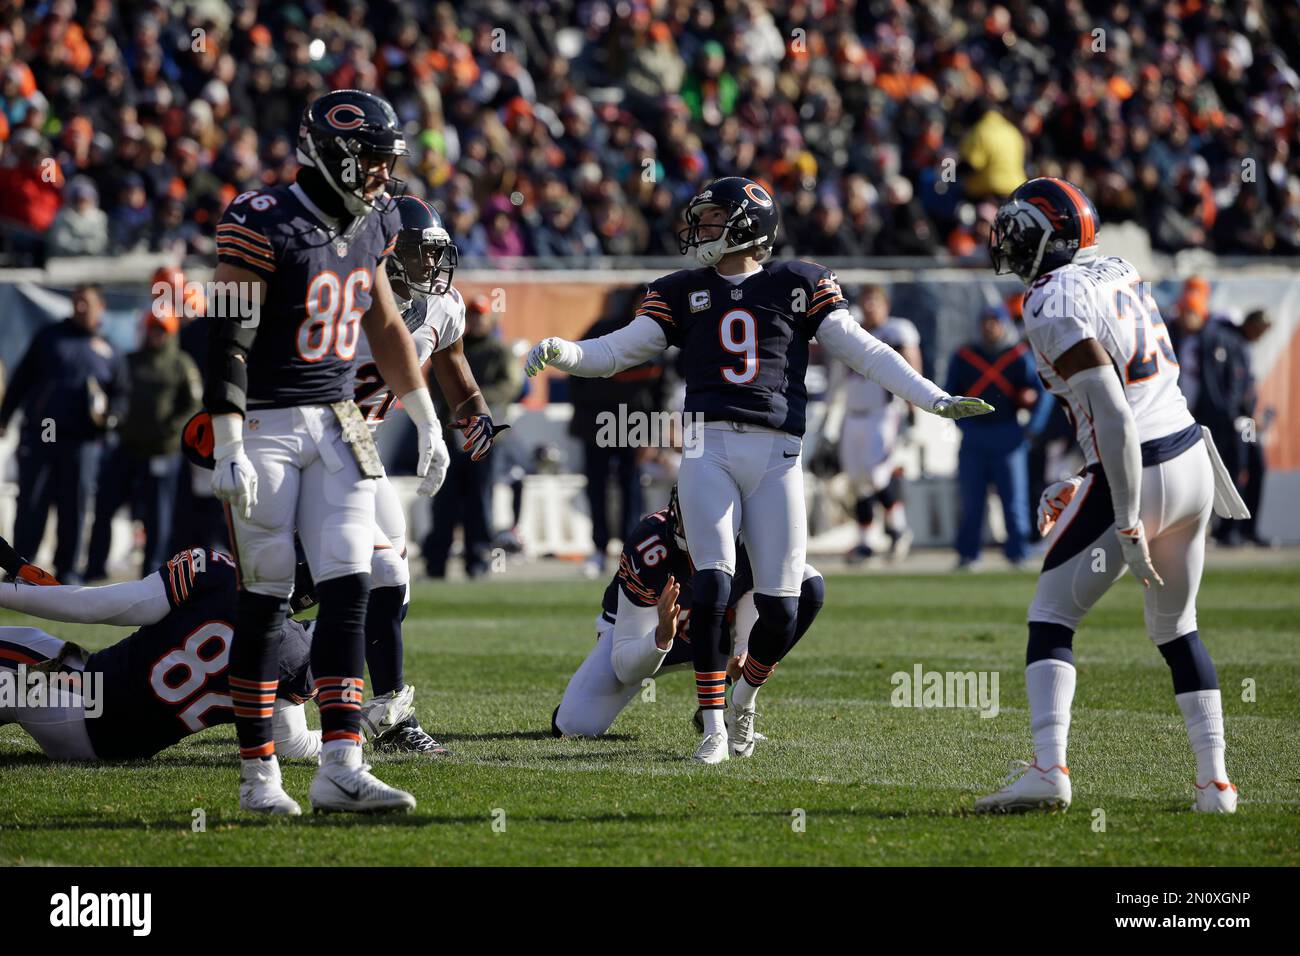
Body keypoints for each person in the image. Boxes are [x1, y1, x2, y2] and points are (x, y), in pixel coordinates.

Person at [525, 175, 992, 763]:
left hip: (778, 456)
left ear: (748, 223)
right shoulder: (681, 290)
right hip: (709, 446)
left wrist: (933, 399)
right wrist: (564, 353)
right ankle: (714, 733)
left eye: (716, 218)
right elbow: (617, 350)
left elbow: (864, 350)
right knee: (714, 580)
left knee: (783, 603)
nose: (702, 229)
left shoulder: (797, 282)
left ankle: (743, 699)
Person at [202, 90, 448, 815]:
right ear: (334, 152)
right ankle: (259, 778)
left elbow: (384, 329)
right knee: (267, 595)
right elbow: (227, 336)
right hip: (270, 421)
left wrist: (426, 417)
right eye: (372, 158)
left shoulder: (371, 224)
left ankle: (341, 764)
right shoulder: (262, 218)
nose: (381, 174)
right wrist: (226, 438)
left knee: (352, 586)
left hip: (344, 420)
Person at [979, 177, 1241, 814]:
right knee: (1179, 629)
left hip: (1141, 469)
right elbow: (1126, 401)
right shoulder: (1115, 269)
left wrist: (1122, 511)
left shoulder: (1049, 299)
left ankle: (1048, 769)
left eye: (1017, 230)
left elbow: (1116, 413)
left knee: (1051, 615)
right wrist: (1084, 475)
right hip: (1189, 459)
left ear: (1045, 238)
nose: (1007, 242)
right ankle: (1216, 786)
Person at [353, 196, 508, 750]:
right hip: (319, 442)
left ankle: (341, 692)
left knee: (390, 582)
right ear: (391, 253)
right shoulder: (351, 292)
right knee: (375, 576)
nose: (433, 266)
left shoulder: (443, 306)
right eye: (422, 253)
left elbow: (455, 369)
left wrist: (478, 416)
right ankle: (385, 715)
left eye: (438, 254)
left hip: (361, 448)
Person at [0, 537, 320, 762]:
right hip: (121, 749)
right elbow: (293, 745)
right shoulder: (296, 652)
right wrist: (354, 732)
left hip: (84, 703)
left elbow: (94, 606)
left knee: (28, 646)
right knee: (43, 656)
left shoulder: (218, 574)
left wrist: (6, 591)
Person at [552, 487, 825, 742]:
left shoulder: (752, 537)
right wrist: (659, 638)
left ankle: (731, 703)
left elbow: (752, 593)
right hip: (644, 637)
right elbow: (625, 667)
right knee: (574, 725)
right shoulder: (651, 546)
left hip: (719, 632)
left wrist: (745, 650)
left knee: (805, 584)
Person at [0, 284, 126, 583]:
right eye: (77, 301)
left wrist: (112, 416)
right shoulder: (50, 337)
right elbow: (20, 379)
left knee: (75, 506)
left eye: (87, 303)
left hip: (83, 440)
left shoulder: (109, 351)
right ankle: (22, 570)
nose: (80, 307)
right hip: (46, 432)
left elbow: (121, 395)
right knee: (33, 501)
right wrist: (4, 416)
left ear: (101, 308)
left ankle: (68, 572)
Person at [85, 307, 202, 580]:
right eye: (153, 328)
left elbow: (193, 404)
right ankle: (94, 567)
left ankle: (153, 573)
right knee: (104, 507)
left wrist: (171, 429)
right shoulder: (130, 361)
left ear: (171, 332)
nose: (156, 334)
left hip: (162, 452)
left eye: (162, 329)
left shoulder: (181, 364)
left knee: (158, 517)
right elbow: (113, 393)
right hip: (127, 448)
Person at [944, 303, 1051, 568]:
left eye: (995, 321)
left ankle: (1018, 552)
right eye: (986, 321)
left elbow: (1042, 393)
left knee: (1014, 502)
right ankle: (968, 554)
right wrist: (962, 425)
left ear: (1004, 324)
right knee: (971, 502)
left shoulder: (1017, 354)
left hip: (1009, 436)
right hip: (974, 436)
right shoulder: (965, 355)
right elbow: (947, 392)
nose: (990, 326)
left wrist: (1032, 429)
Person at [821, 284, 922, 562]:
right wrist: (830, 416)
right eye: (866, 301)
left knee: (876, 475)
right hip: (852, 414)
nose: (869, 306)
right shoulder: (850, 332)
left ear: (886, 305)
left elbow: (911, 370)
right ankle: (866, 541)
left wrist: (914, 411)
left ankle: (899, 529)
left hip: (883, 412)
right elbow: (838, 378)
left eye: (874, 301)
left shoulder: (897, 332)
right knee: (857, 481)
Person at [424, 293, 519, 579]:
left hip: (485, 439)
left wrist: (473, 403)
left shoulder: (499, 351)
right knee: (445, 502)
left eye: (481, 315)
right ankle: (435, 564)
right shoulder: (450, 347)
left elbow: (510, 385)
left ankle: (476, 563)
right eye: (473, 315)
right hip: (453, 435)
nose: (477, 321)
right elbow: (433, 385)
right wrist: (457, 409)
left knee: (480, 503)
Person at [565, 308, 665, 578]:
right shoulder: (603, 329)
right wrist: (586, 415)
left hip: (633, 425)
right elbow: (575, 368)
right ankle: (598, 548)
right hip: (597, 424)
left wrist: (651, 432)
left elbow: (660, 391)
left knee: (630, 486)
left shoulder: (656, 336)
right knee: (596, 486)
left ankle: (630, 551)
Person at [1168, 279, 1254, 547]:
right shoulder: (1170, 335)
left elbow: (1240, 383)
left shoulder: (1222, 340)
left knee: (1230, 468)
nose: (1188, 317)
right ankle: (1185, 527)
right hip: (1177, 415)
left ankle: (1229, 529)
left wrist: (1233, 413)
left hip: (1220, 418)